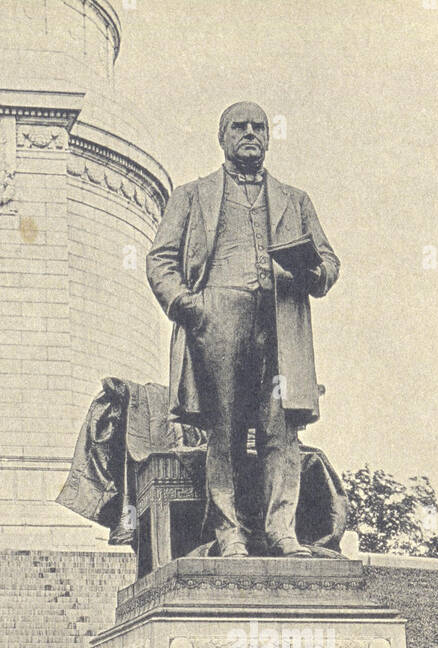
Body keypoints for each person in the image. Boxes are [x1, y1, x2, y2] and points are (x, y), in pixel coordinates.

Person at [146, 101, 340, 557]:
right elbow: (160, 259)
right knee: (225, 431)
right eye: (240, 126)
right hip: (216, 322)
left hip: (281, 326)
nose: (250, 133)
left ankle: (281, 530)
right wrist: (187, 304)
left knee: (281, 431)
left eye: (259, 127)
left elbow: (329, 263)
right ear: (222, 137)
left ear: (270, 138)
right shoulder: (192, 195)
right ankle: (228, 531)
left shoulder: (296, 200)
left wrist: (312, 271)